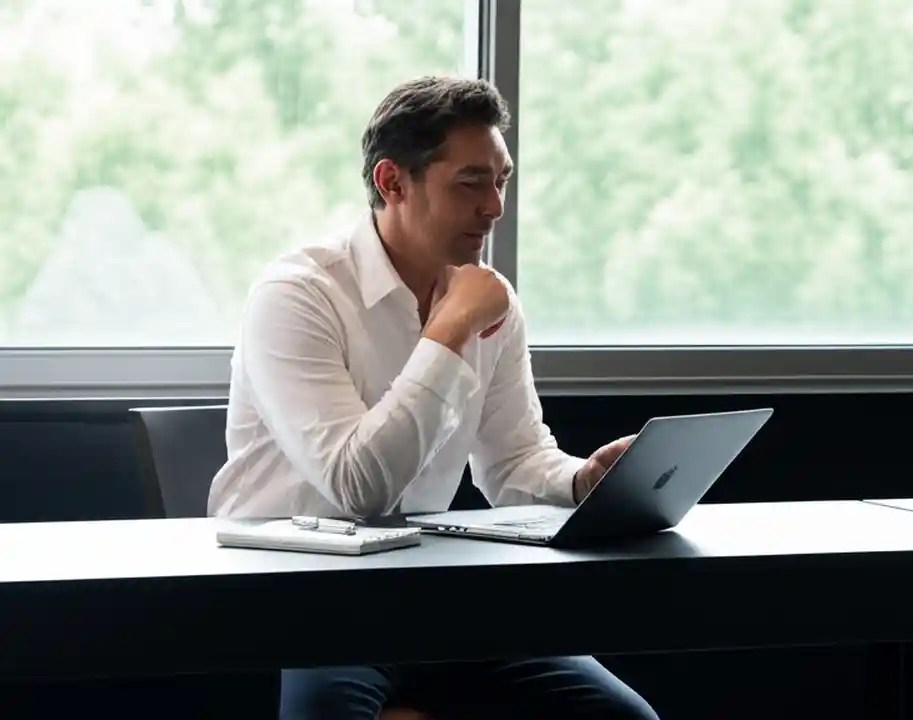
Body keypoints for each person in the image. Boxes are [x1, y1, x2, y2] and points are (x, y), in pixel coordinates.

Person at [207, 76, 659, 720]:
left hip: (421, 590)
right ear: (392, 182)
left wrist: (581, 480)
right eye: (471, 183)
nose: (495, 206)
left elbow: (514, 464)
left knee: (625, 718)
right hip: (297, 596)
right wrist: (449, 329)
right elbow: (358, 488)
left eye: (502, 180)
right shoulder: (296, 294)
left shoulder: (487, 298)